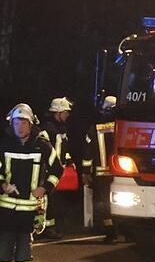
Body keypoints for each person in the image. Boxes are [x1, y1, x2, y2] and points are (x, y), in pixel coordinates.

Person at [0, 104, 61, 262]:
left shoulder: (42, 146)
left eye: (23, 122)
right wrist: (3, 185)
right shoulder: (5, 146)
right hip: (6, 207)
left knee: (25, 248)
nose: (19, 126)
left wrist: (44, 188)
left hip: (30, 207)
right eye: (16, 122)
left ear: (31, 124)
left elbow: (57, 170)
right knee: (4, 250)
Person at [80, 96, 117, 242]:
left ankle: (110, 233)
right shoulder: (122, 125)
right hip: (121, 173)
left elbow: (87, 152)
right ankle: (125, 232)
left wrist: (86, 172)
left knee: (104, 203)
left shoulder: (94, 128)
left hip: (101, 174)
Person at [38, 97, 75, 237]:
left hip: (57, 169)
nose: (67, 115)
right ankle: (46, 228)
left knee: (54, 200)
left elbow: (62, 148)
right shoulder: (47, 129)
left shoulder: (60, 128)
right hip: (47, 170)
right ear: (58, 112)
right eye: (65, 112)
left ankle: (50, 226)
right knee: (47, 199)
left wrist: (69, 160)